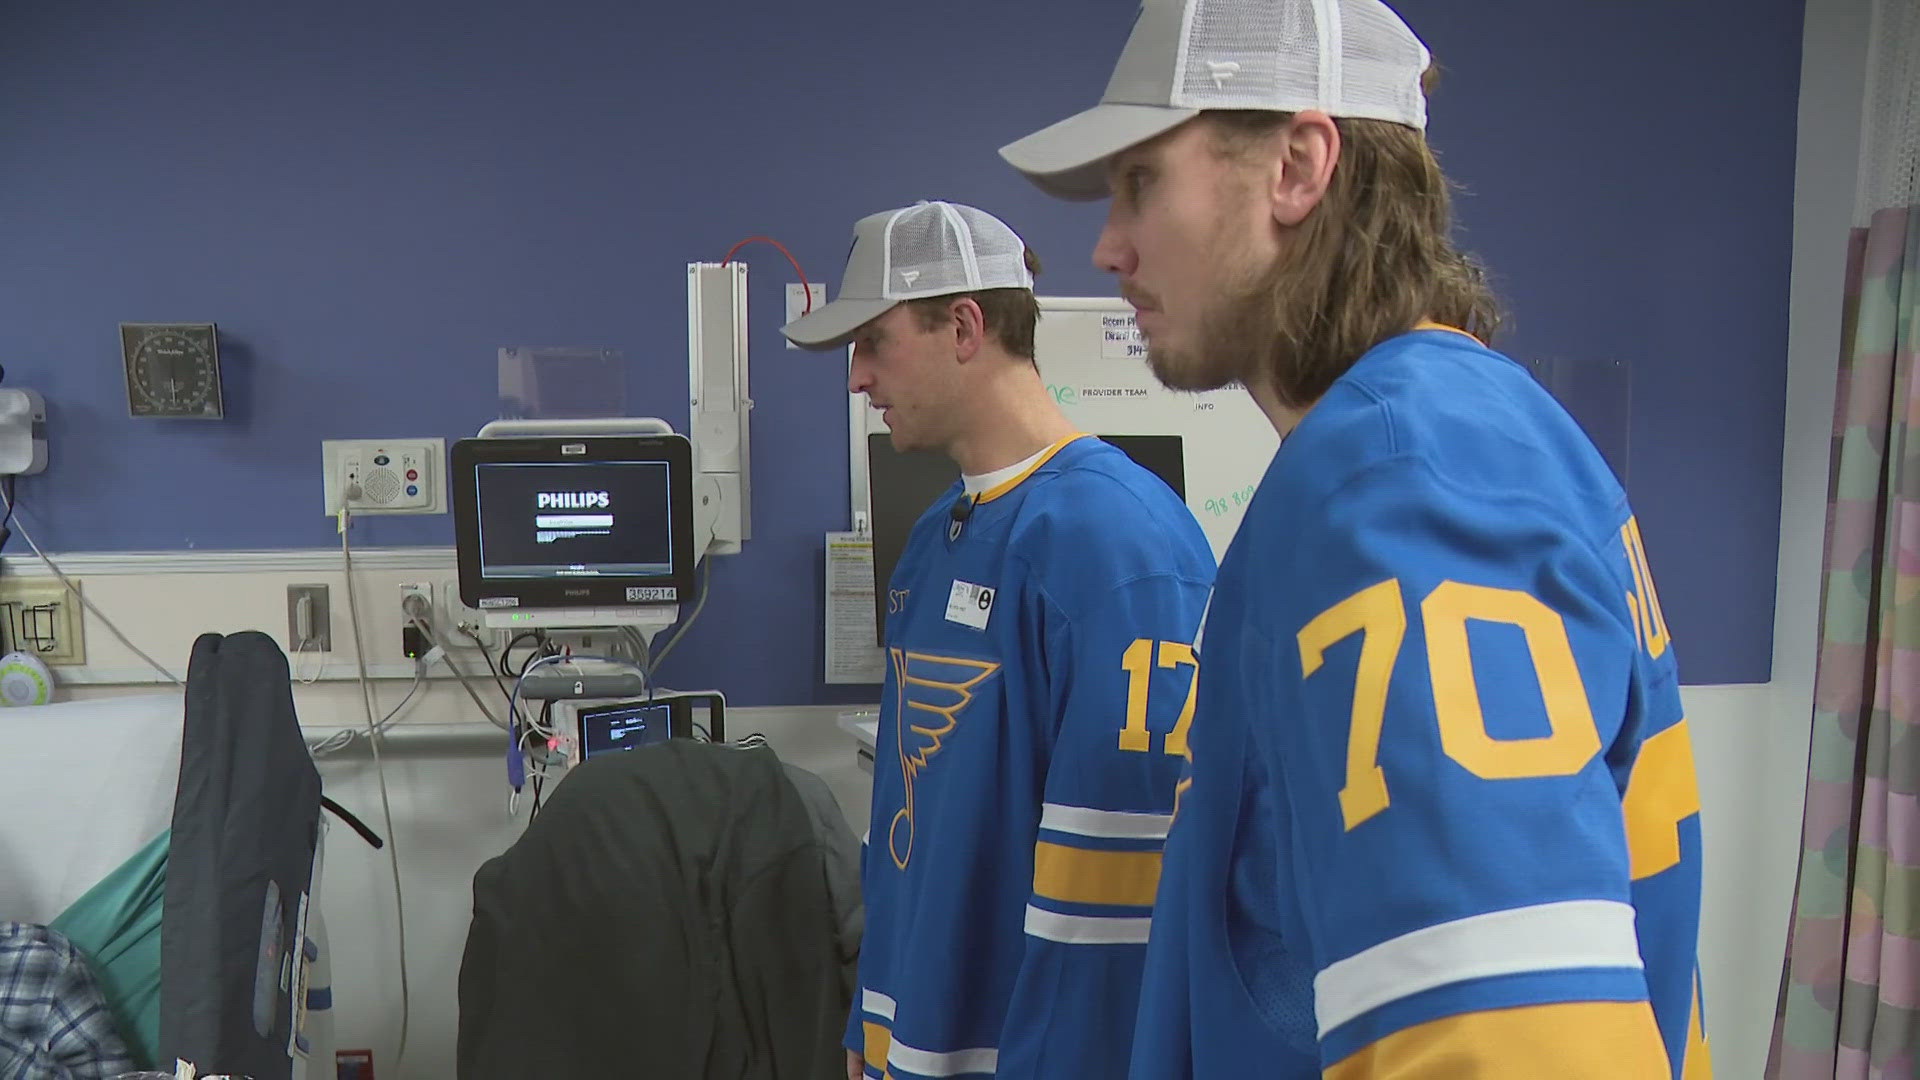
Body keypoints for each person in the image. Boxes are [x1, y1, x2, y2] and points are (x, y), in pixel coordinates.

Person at [998, 1, 1712, 1077]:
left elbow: (1510, 1049)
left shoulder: (1394, 482)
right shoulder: (1470, 432)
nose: (1107, 245)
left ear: (1297, 166)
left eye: (1143, 180)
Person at [783, 200, 1216, 1080]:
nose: (857, 379)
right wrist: (877, 1013)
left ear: (966, 326)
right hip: (920, 1035)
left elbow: (1120, 890)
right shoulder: (939, 533)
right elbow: (915, 820)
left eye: (874, 343)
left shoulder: (1118, 541)